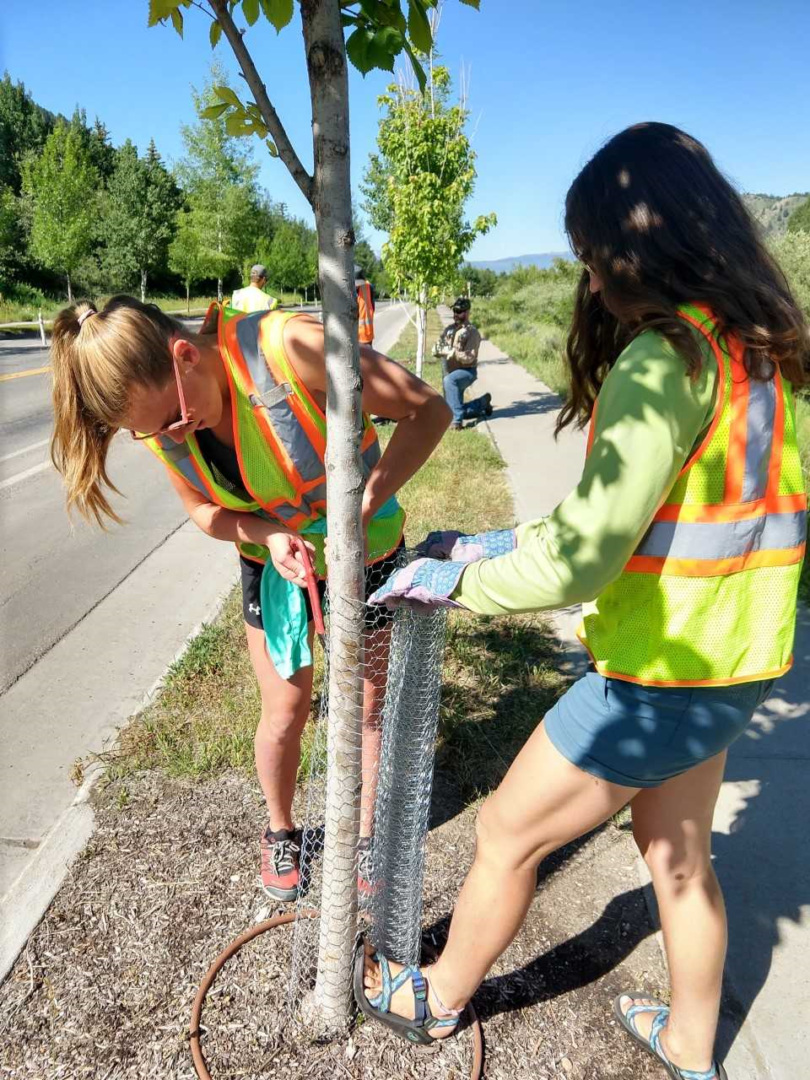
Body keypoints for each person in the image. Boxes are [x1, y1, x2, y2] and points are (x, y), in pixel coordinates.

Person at [356, 122, 809, 1080]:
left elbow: (586, 558)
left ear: (640, 252)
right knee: (676, 849)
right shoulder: (769, 355)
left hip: (655, 677)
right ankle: (692, 1046)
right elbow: (645, 516)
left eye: (597, 263)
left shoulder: (668, 362)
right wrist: (498, 539)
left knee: (505, 831)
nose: (593, 286)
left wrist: (464, 580)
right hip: (736, 665)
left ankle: (434, 1002)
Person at [49, 295, 451, 902]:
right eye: (149, 434)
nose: (168, 439)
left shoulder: (289, 347)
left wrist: (360, 504)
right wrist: (264, 533)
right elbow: (204, 512)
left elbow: (428, 410)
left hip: (364, 554)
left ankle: (368, 836)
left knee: (368, 710)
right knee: (285, 712)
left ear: (185, 357)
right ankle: (281, 830)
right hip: (275, 565)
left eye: (169, 423)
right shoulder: (164, 417)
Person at [433, 297, 492, 430]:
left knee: (449, 381)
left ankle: (456, 423)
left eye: (459, 311)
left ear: (467, 312)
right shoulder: (449, 329)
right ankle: (483, 403)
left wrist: (454, 353)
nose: (456, 314)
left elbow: (470, 357)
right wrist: (437, 349)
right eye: (454, 311)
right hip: (451, 370)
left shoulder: (472, 332)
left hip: (467, 371)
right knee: (451, 408)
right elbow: (441, 344)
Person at [356, 267, 375, 346]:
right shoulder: (369, 286)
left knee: (367, 357)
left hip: (365, 335)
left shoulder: (368, 287)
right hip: (355, 335)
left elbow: (372, 307)